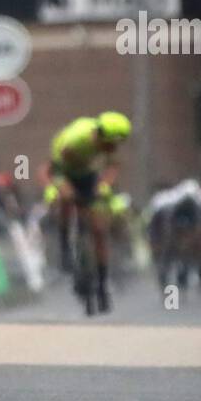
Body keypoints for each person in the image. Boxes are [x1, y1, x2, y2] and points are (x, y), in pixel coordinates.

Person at [49, 111, 131, 312]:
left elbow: (112, 167)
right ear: (99, 136)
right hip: (64, 170)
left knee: (99, 229)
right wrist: (66, 190)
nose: (113, 149)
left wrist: (103, 186)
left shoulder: (108, 142)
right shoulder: (77, 140)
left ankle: (102, 283)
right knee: (67, 199)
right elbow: (56, 170)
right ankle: (65, 247)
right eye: (110, 145)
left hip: (88, 175)